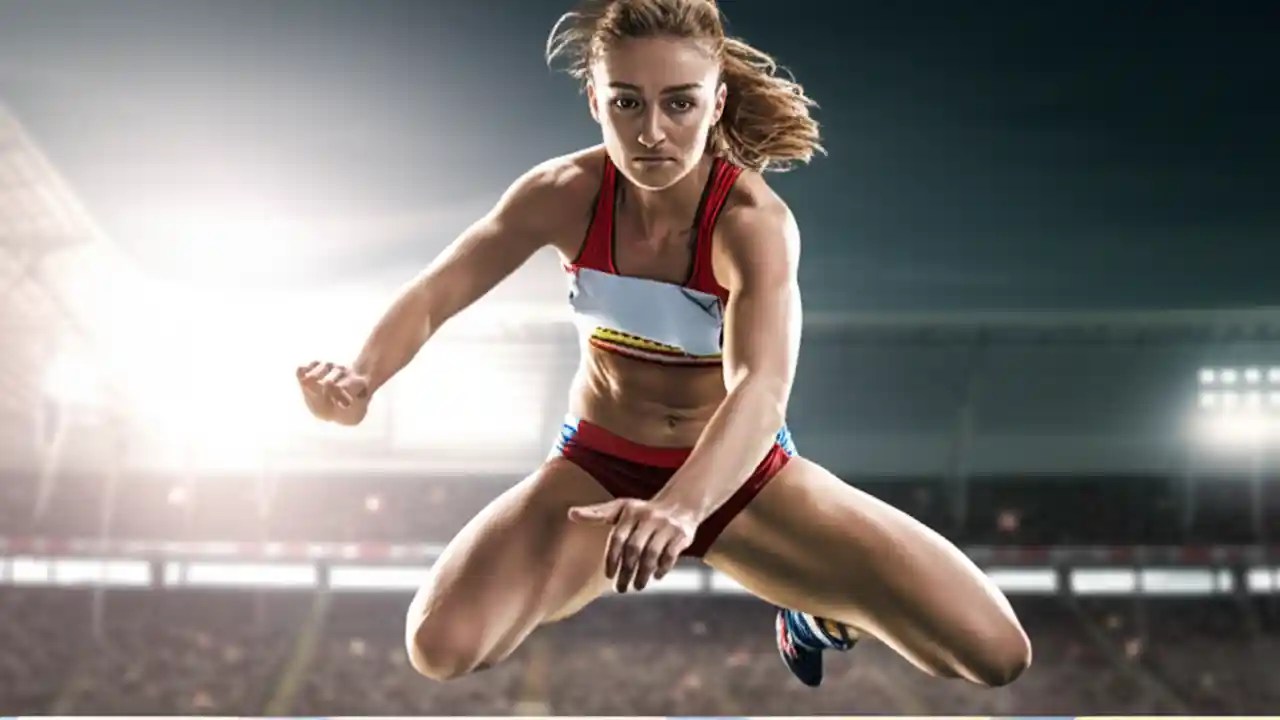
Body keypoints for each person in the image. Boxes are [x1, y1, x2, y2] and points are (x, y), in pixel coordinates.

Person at [296, 0, 1031, 691]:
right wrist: (361, 379)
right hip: (598, 469)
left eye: (680, 103)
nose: (652, 131)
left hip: (740, 478)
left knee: (995, 652)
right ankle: (738, 564)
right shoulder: (561, 193)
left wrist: (681, 508)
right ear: (594, 100)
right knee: (441, 644)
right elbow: (433, 295)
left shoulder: (750, 223)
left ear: (715, 103)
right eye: (627, 102)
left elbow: (760, 389)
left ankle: (816, 610)